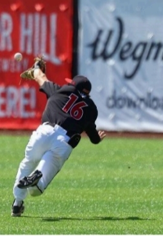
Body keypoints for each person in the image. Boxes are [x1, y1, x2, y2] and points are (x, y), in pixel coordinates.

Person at [11, 60, 105, 217]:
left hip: (44, 133)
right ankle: (36, 178)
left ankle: (17, 204)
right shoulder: (91, 109)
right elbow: (94, 138)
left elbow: (40, 76)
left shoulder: (60, 91)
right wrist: (98, 138)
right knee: (36, 190)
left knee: (27, 163)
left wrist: (36, 68)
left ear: (73, 86)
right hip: (63, 143)